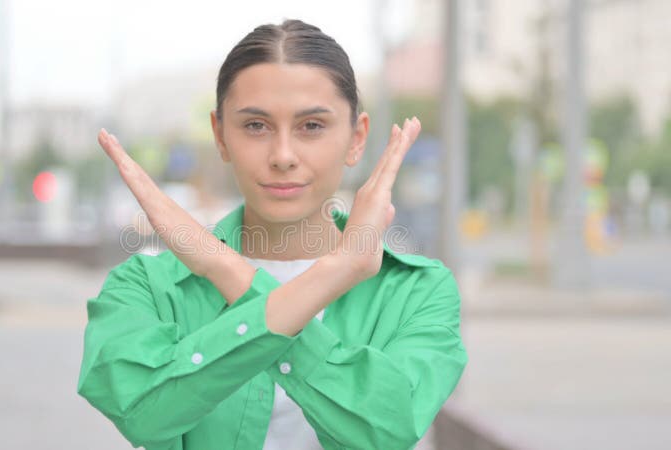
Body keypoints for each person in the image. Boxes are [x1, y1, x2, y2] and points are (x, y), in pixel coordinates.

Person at [77, 19, 467, 450]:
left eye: (312, 126)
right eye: (256, 126)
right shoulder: (147, 287)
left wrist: (227, 272)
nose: (283, 156)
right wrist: (332, 272)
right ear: (220, 136)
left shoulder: (417, 291)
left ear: (357, 138)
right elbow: (143, 414)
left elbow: (385, 431)